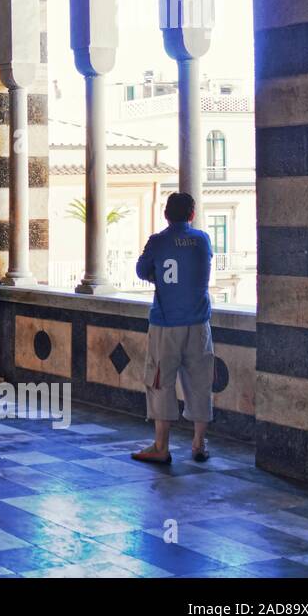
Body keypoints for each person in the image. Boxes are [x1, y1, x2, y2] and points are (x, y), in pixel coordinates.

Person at [132, 191, 215, 465]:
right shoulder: (203, 239)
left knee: (160, 382)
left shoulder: (158, 242)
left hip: (166, 324)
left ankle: (161, 446)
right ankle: (199, 443)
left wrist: (158, 274)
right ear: (192, 215)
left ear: (166, 215)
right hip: (199, 324)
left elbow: (141, 270)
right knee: (200, 382)